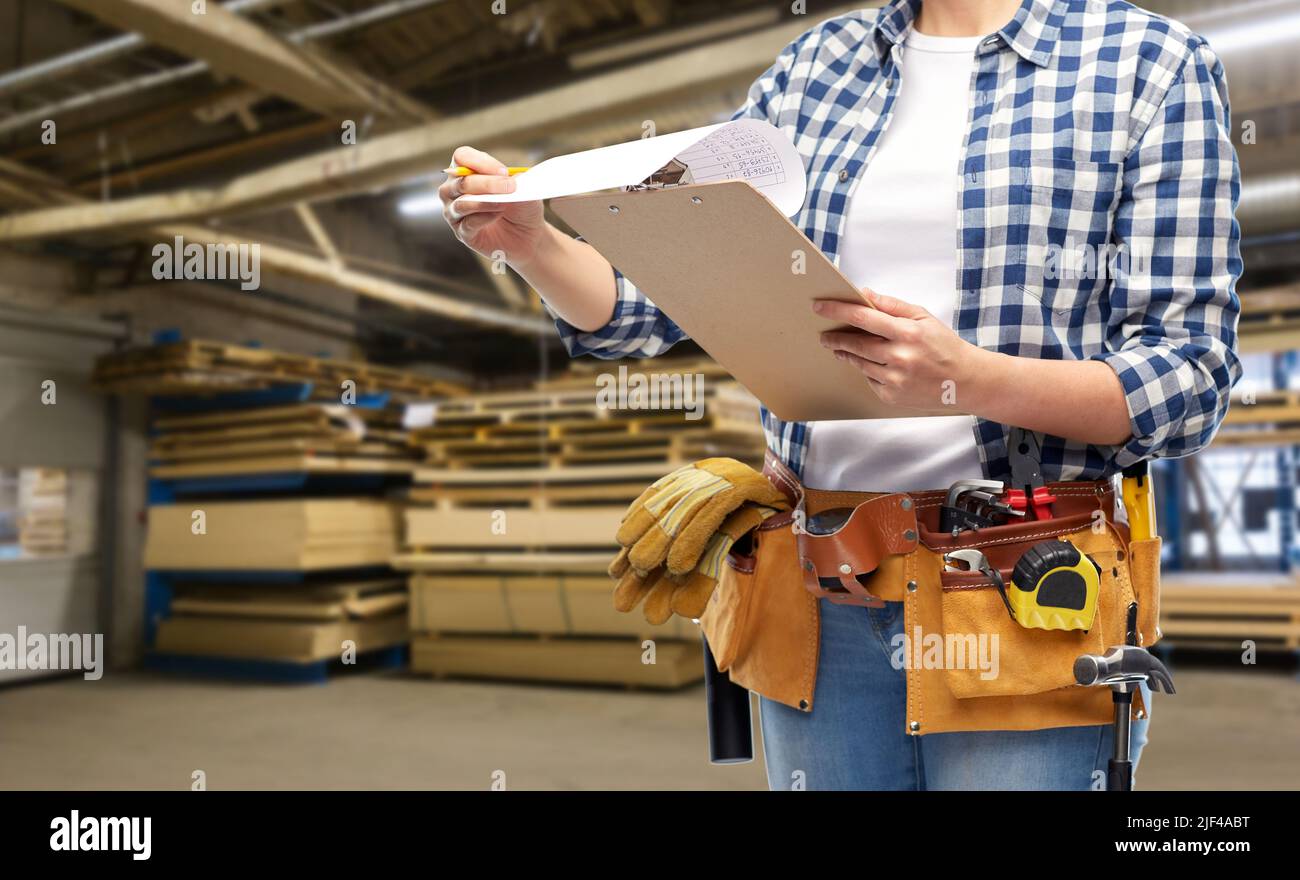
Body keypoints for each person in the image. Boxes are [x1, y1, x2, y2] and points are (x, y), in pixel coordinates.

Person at [439, 0, 1241, 790]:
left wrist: (968, 376)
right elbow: (649, 310)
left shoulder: (1147, 64)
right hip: (821, 594)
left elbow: (1188, 378)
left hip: (1021, 598)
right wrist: (534, 244)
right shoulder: (813, 69)